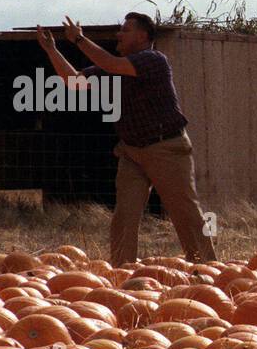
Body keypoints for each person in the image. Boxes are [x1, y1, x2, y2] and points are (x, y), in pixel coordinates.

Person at [35, 13, 217, 267]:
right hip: (132, 151)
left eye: (126, 30)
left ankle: (207, 268)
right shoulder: (114, 69)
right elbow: (74, 81)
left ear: (143, 36)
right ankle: (122, 271)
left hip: (166, 148)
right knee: (124, 217)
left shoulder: (154, 60)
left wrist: (79, 39)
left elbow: (110, 63)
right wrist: (52, 49)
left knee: (186, 213)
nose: (118, 35)